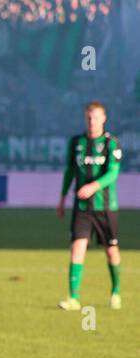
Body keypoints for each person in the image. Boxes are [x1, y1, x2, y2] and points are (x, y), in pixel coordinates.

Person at [57, 102, 122, 310]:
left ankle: (116, 292)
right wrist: (62, 198)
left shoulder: (111, 143)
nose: (91, 121)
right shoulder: (76, 142)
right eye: (88, 117)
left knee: (111, 250)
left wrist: (93, 186)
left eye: (95, 117)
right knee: (77, 247)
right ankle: (73, 298)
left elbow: (113, 173)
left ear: (104, 118)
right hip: (82, 208)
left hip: (105, 207)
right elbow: (69, 171)